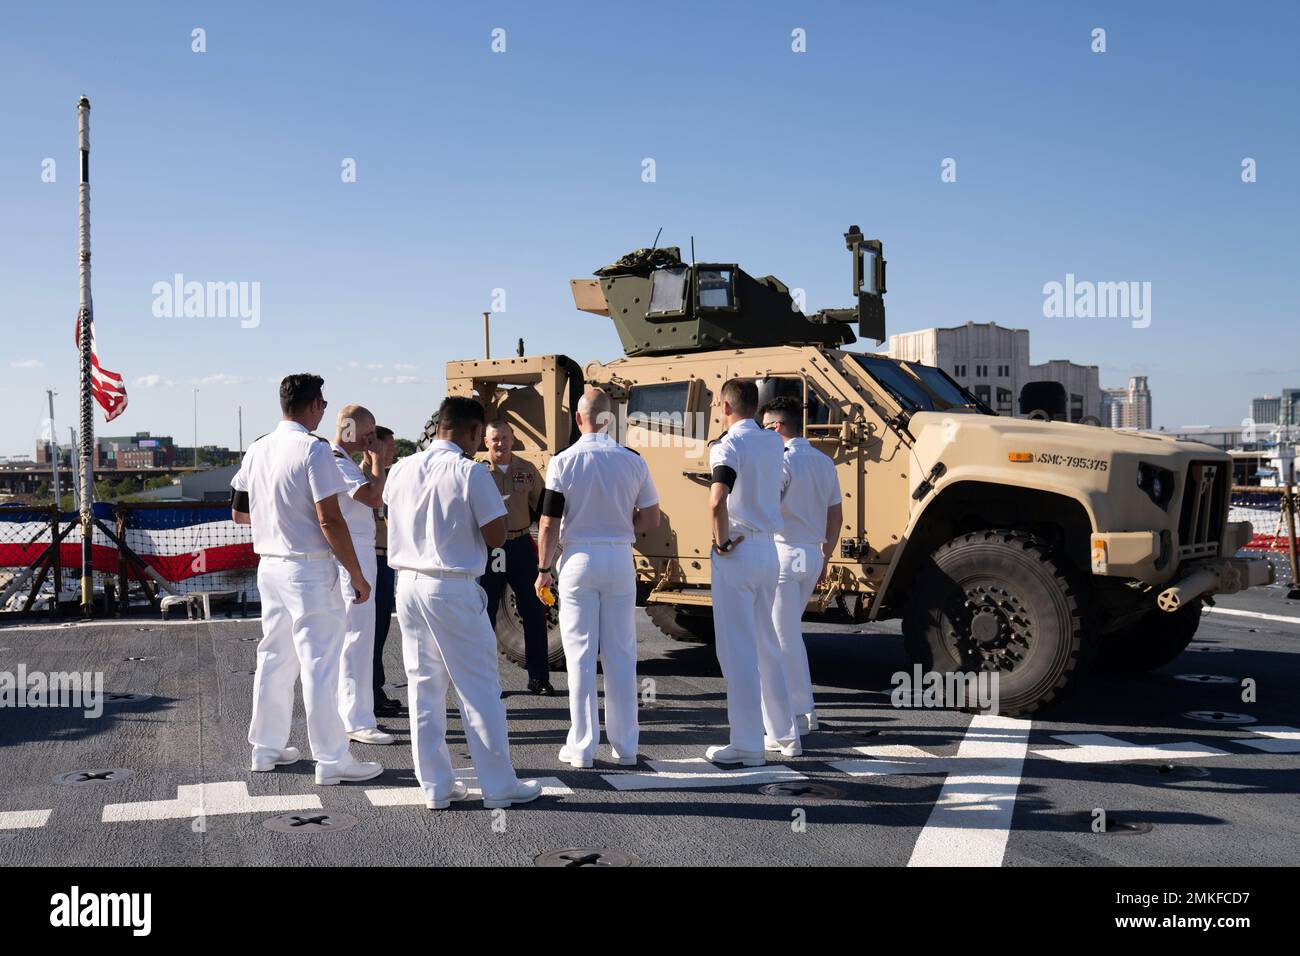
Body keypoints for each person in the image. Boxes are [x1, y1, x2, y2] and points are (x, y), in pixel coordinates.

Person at [383, 396, 541, 810]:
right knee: (479, 688)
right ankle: (499, 786)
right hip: (452, 585)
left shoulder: (401, 467)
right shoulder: (471, 473)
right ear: (473, 432)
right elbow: (495, 538)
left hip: (409, 585)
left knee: (424, 688)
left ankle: (436, 786)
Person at [231, 373, 383, 786]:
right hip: (309, 567)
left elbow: (239, 514)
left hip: (270, 565)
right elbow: (329, 518)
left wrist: (277, 519)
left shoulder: (258, 448)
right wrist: (356, 573)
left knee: (275, 657)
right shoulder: (313, 450)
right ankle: (332, 758)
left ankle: (266, 747)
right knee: (320, 663)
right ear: (314, 405)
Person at [535, 387, 660, 768]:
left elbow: (548, 523)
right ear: (610, 420)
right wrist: (624, 526)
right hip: (620, 557)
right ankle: (625, 747)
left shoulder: (562, 461)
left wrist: (542, 569)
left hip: (578, 560)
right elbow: (651, 519)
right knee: (622, 654)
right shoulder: (633, 460)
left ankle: (583, 746)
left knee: (580, 655)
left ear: (578, 419)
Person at [705, 378, 800, 766]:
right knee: (767, 645)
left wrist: (720, 540)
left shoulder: (727, 445)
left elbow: (716, 501)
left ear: (725, 407)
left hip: (739, 550)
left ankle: (745, 743)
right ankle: (785, 735)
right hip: (769, 548)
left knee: (737, 651)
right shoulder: (773, 441)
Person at [760, 396, 843, 734]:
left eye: (766, 427)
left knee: (783, 638)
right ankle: (803, 710)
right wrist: (826, 554)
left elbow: (767, 508)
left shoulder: (781, 461)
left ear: (777, 427)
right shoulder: (825, 462)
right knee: (788, 634)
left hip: (783, 553)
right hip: (812, 553)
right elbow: (835, 516)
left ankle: (799, 713)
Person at [330, 404, 395, 745]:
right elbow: (373, 497)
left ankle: (354, 713)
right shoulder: (337, 461)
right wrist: (379, 463)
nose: (371, 441)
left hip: (356, 551)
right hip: (353, 554)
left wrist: (372, 464)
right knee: (357, 638)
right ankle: (356, 719)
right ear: (351, 429)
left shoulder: (342, 462)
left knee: (358, 637)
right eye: (367, 435)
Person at [477, 420, 553, 694]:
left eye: (505, 438)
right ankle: (485, 681)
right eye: (495, 439)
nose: (500, 443)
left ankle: (539, 678)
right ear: (486, 442)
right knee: (484, 612)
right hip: (489, 548)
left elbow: (543, 505)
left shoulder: (527, 470)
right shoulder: (477, 470)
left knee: (534, 610)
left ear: (513, 439)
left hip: (520, 544)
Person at [370, 425, 400, 717]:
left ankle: (375, 689)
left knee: (380, 630)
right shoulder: (360, 477)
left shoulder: (390, 478)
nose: (393, 451)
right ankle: (371, 694)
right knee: (371, 631)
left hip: (386, 560)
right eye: (389, 446)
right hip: (370, 560)